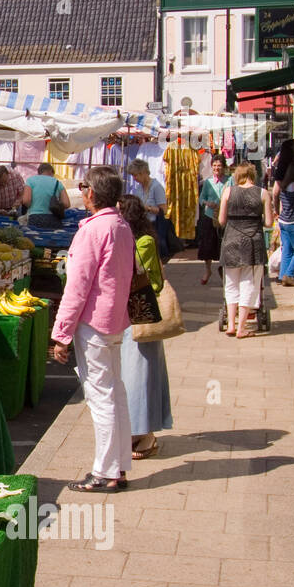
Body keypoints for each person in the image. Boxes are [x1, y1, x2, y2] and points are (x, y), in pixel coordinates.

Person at [52, 166, 137, 492]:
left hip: (95, 323)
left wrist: (61, 333)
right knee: (115, 393)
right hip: (114, 321)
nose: (82, 191)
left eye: (84, 186)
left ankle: (105, 471)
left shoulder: (93, 230)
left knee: (102, 398)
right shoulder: (121, 226)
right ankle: (117, 467)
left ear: (92, 193)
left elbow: (77, 287)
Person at [117, 194, 172, 459]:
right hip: (125, 317)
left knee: (142, 374)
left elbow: (148, 277)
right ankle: (135, 432)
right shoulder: (125, 239)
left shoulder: (145, 241)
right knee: (130, 375)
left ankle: (146, 435)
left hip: (142, 315)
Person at [218, 162, 275, 338]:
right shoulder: (262, 193)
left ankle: (231, 325)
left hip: (231, 242)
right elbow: (268, 223)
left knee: (231, 284)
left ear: (237, 175)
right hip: (252, 243)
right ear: (253, 175)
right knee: (249, 284)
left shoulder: (228, 192)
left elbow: (221, 220)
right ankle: (242, 327)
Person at [196, 154, 230, 285]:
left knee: (223, 245)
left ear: (224, 167)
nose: (217, 168)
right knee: (208, 245)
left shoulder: (229, 180)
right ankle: (208, 270)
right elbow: (201, 199)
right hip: (209, 216)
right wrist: (207, 203)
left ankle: (224, 271)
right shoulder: (208, 182)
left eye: (219, 166)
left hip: (224, 217)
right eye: (214, 165)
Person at [274, 160, 294, 287]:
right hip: (293, 222)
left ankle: (282, 275)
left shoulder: (284, 186)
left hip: (283, 220)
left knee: (287, 249)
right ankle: (290, 275)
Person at [126, 158, 167, 251]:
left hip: (154, 226)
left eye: (135, 175)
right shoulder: (139, 188)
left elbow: (163, 210)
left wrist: (147, 208)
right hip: (143, 225)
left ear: (143, 173)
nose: (134, 178)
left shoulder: (156, 187)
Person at [25, 162, 70, 229]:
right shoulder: (57, 182)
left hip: (35, 217)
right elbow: (67, 204)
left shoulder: (30, 180)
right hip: (54, 218)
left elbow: (26, 200)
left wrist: (32, 206)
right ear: (51, 172)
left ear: (39, 172)